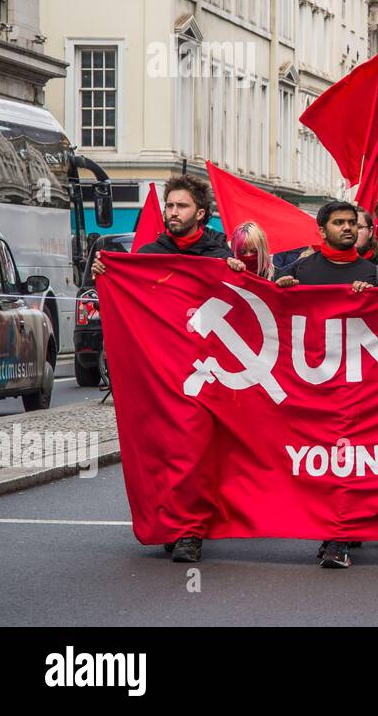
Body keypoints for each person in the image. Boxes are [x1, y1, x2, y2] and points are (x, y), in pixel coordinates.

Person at [91, 174, 232, 566]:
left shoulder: (220, 256)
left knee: (194, 446)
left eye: (181, 206)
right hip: (161, 368)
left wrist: (239, 272)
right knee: (164, 446)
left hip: (207, 370)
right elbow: (133, 298)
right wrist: (108, 272)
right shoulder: (151, 254)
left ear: (200, 213)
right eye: (169, 206)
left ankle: (190, 531)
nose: (172, 212)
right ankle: (175, 521)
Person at [275, 200, 378, 569]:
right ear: (322, 231)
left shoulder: (374, 272)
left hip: (362, 387)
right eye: (338, 223)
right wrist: (282, 290)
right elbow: (265, 307)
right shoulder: (300, 270)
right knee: (321, 464)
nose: (347, 228)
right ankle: (332, 530)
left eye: (352, 223)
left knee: (349, 463)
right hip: (313, 386)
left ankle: (338, 537)